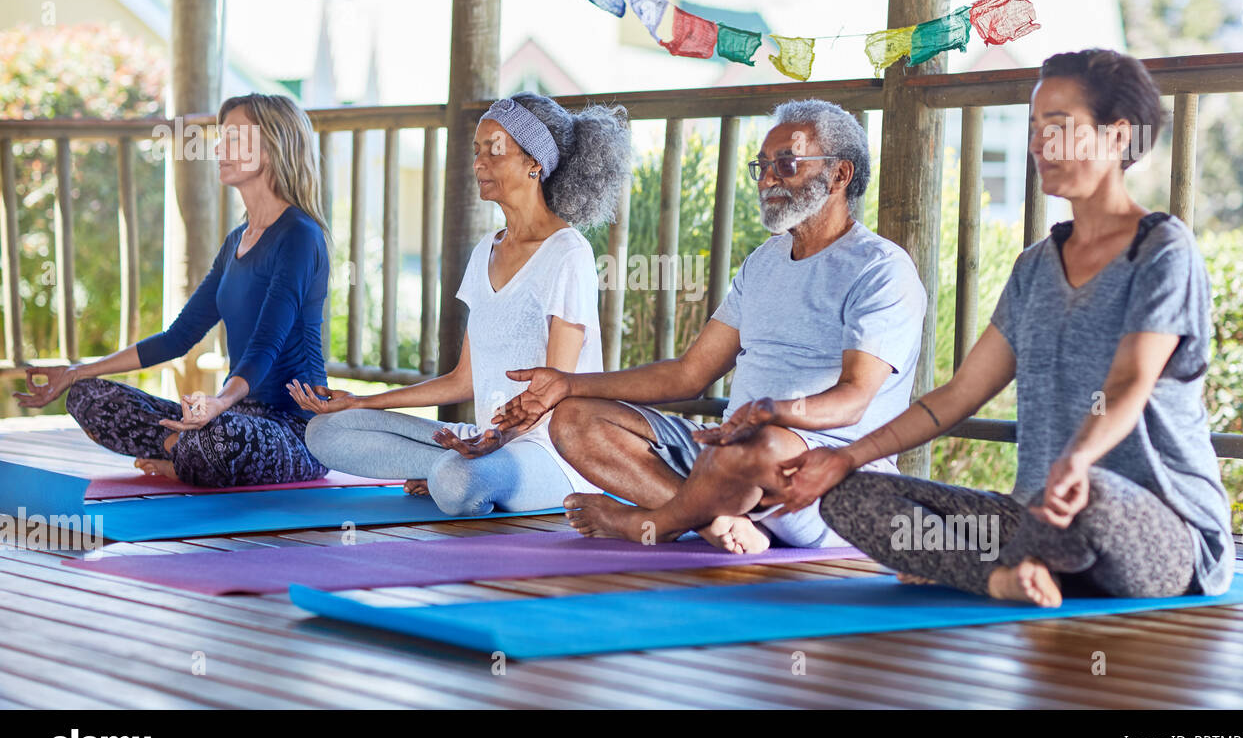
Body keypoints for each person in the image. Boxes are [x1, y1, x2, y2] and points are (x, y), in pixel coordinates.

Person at [775, 49, 1234, 606]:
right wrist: (846, 457)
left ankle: (975, 566)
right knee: (848, 497)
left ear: (1118, 137)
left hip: (1158, 530)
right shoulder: (1035, 267)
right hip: (1035, 514)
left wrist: (1079, 459)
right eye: (1035, 128)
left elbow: (1129, 383)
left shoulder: (1162, 250)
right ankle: (1005, 577)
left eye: (1059, 127)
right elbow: (958, 395)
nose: (1038, 145)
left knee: (1088, 500)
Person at [493, 99, 926, 553]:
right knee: (575, 420)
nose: (768, 178)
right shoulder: (764, 262)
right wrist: (567, 384)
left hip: (824, 478)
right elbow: (688, 374)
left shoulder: (881, 269)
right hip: (726, 461)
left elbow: (854, 400)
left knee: (760, 447)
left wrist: (771, 412)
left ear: (840, 175)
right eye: (761, 166)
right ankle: (714, 522)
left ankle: (657, 524)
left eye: (786, 163)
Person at [290, 93, 630, 515]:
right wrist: (359, 401)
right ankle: (454, 466)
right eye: (477, 150)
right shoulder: (485, 251)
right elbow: (462, 380)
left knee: (456, 480)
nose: (479, 163)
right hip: (486, 440)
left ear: (534, 163)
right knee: (325, 431)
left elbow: (555, 392)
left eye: (495, 150)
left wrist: (495, 443)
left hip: (551, 452)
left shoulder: (568, 253)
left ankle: (454, 472)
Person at [16, 93, 332, 487]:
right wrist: (75, 373)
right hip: (235, 416)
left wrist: (217, 404)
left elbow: (266, 346)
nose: (219, 147)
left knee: (221, 437)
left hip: (297, 431)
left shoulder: (300, 235)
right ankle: (184, 450)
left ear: (272, 147)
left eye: (234, 138)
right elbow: (177, 338)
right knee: (87, 397)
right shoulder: (236, 241)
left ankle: (185, 452)